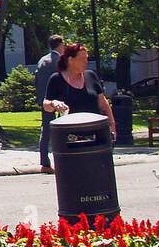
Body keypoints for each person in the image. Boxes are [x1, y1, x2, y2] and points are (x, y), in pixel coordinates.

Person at [43, 42, 116, 141]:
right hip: (71, 135)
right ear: (70, 60)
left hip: (96, 132)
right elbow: (46, 105)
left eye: (86, 58)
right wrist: (53, 103)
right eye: (82, 59)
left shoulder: (91, 76)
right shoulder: (56, 79)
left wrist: (112, 125)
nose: (86, 62)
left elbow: (103, 103)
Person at [34, 36, 64, 174]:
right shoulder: (59, 61)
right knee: (64, 128)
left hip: (44, 99)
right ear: (60, 45)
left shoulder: (42, 60)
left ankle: (44, 160)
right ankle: (64, 157)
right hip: (58, 99)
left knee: (46, 129)